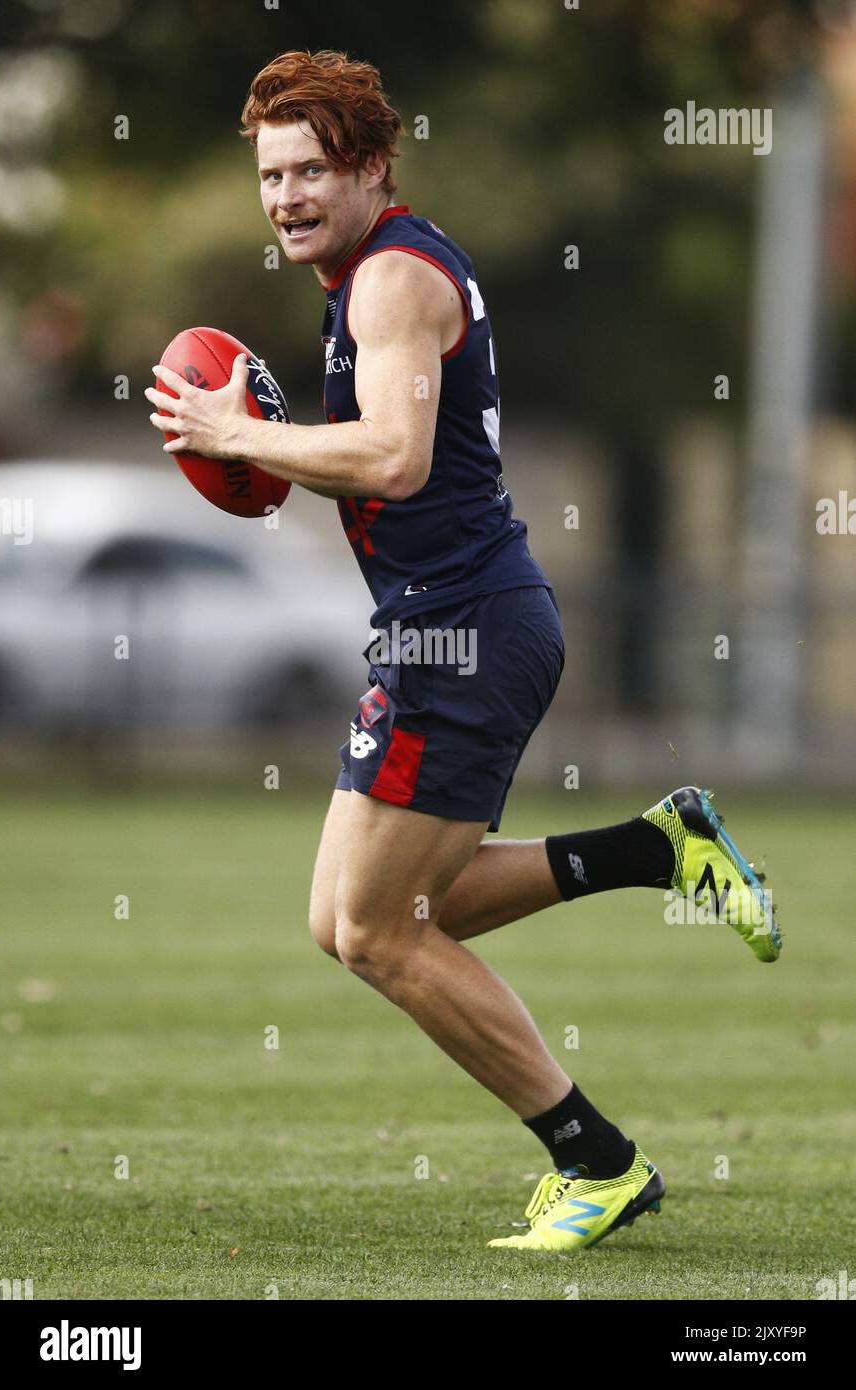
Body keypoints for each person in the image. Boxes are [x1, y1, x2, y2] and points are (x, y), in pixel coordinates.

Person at [145, 49, 781, 1253]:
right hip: (446, 623)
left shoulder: (388, 279)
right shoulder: (367, 275)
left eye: (311, 169)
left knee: (384, 929)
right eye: (270, 174)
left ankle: (595, 1159)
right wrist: (264, 443)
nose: (285, 196)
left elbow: (392, 455)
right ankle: (657, 845)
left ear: (373, 164)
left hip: (464, 627)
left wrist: (241, 434)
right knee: (349, 918)